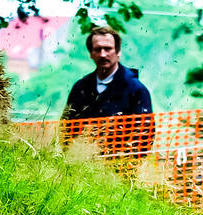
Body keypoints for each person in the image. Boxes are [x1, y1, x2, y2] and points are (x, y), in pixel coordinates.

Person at [61, 26, 155, 160]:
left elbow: (145, 135)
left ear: (118, 52)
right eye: (98, 49)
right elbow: (66, 128)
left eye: (108, 49)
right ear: (91, 54)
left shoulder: (136, 90)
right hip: (81, 167)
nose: (103, 54)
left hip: (121, 170)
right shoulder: (80, 88)